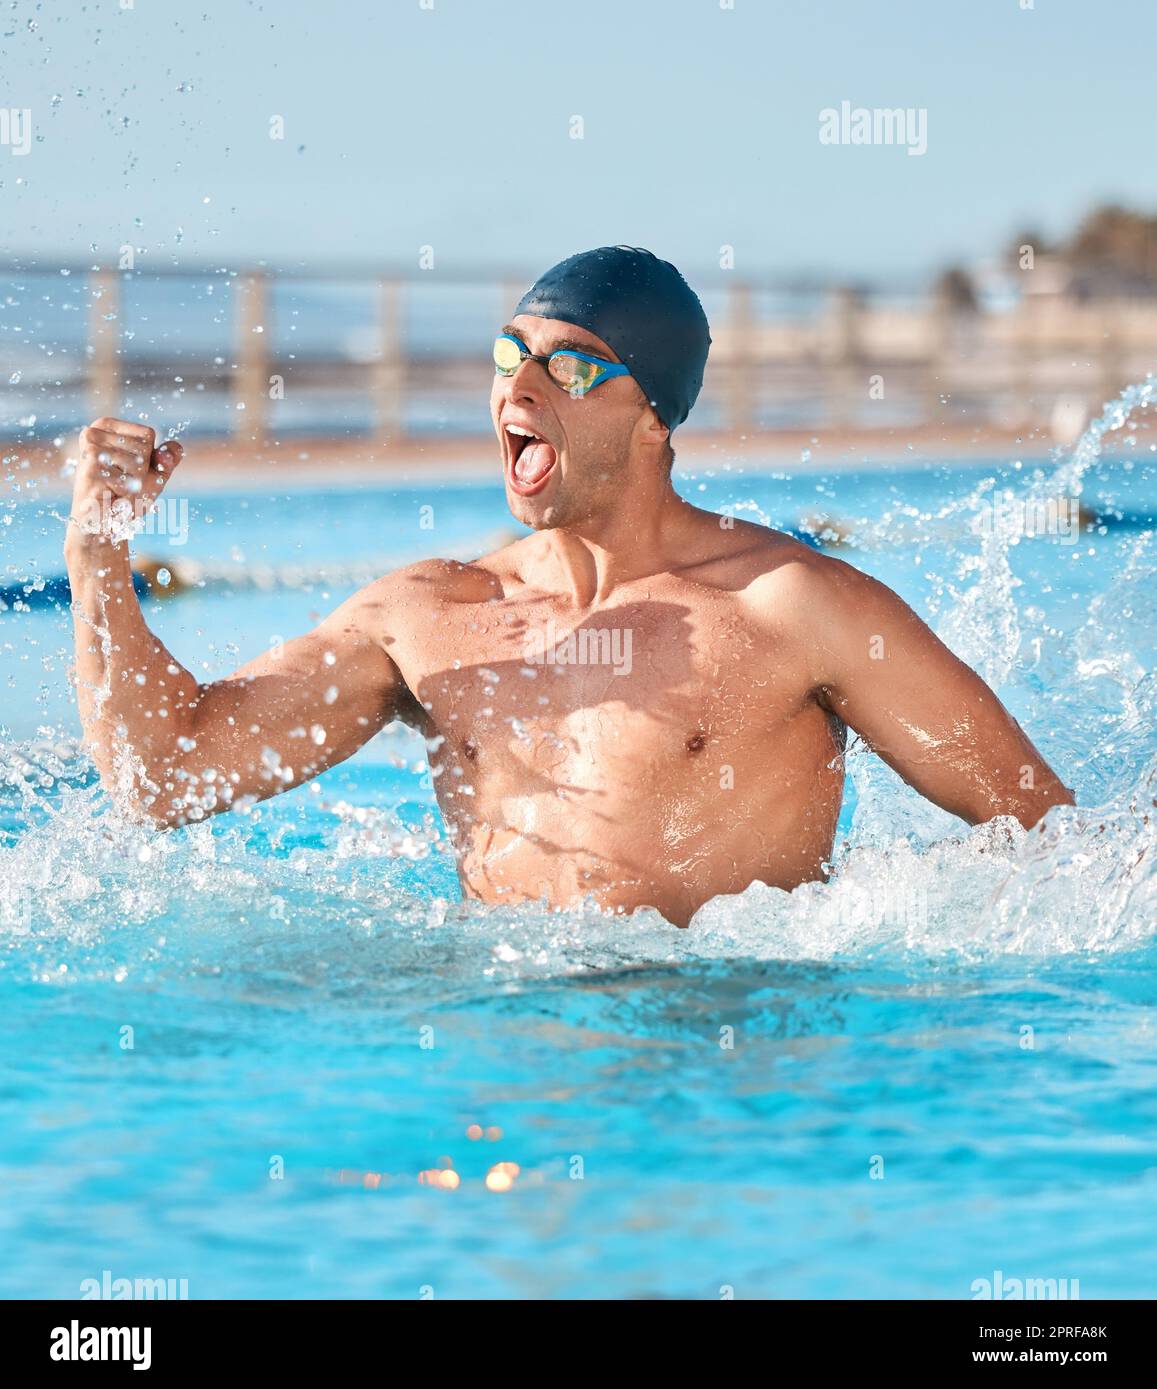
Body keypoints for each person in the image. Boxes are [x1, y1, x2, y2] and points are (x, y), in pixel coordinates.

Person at [64, 246, 1074, 928]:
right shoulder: (429, 615)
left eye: (569, 368)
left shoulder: (793, 607)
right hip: (499, 1042)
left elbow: (1050, 837)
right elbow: (160, 776)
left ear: (653, 418)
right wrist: (97, 555)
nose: (520, 387)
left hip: (716, 1053)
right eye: (509, 355)